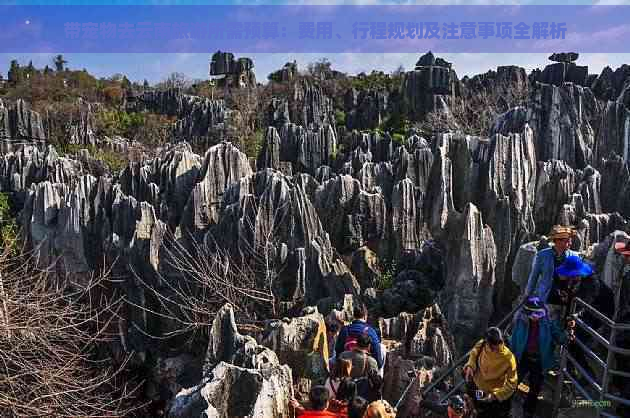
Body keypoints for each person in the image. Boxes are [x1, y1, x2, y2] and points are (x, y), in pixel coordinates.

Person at [508, 297, 568, 418]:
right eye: (532, 313)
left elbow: (560, 338)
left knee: (535, 388)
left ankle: (528, 412)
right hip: (522, 358)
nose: (535, 316)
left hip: (539, 360)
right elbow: (514, 340)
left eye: (538, 313)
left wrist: (568, 334)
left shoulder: (548, 323)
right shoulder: (520, 321)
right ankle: (505, 407)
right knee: (512, 384)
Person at [462, 327, 517, 418]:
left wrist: (495, 396)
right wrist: (470, 367)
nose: (493, 349)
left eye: (495, 346)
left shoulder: (509, 358)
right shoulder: (482, 344)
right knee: (473, 409)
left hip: (491, 396)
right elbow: (474, 353)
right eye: (490, 346)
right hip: (477, 388)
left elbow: (512, 384)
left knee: (487, 413)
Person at [525, 225, 579, 306]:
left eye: (570, 241)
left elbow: (578, 278)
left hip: (565, 299)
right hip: (546, 297)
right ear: (558, 241)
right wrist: (528, 294)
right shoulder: (542, 255)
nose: (570, 244)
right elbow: (533, 277)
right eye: (567, 241)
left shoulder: (574, 256)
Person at [336, 303, 384, 370]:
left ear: (353, 316)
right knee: (382, 347)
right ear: (365, 316)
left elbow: (338, 351)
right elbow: (378, 357)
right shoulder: (371, 331)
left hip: (346, 370)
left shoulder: (345, 330)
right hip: (365, 369)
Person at [613, 240, 630, 417]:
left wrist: (620, 327)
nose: (624, 257)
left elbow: (626, 306)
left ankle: (623, 407)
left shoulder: (628, 278)